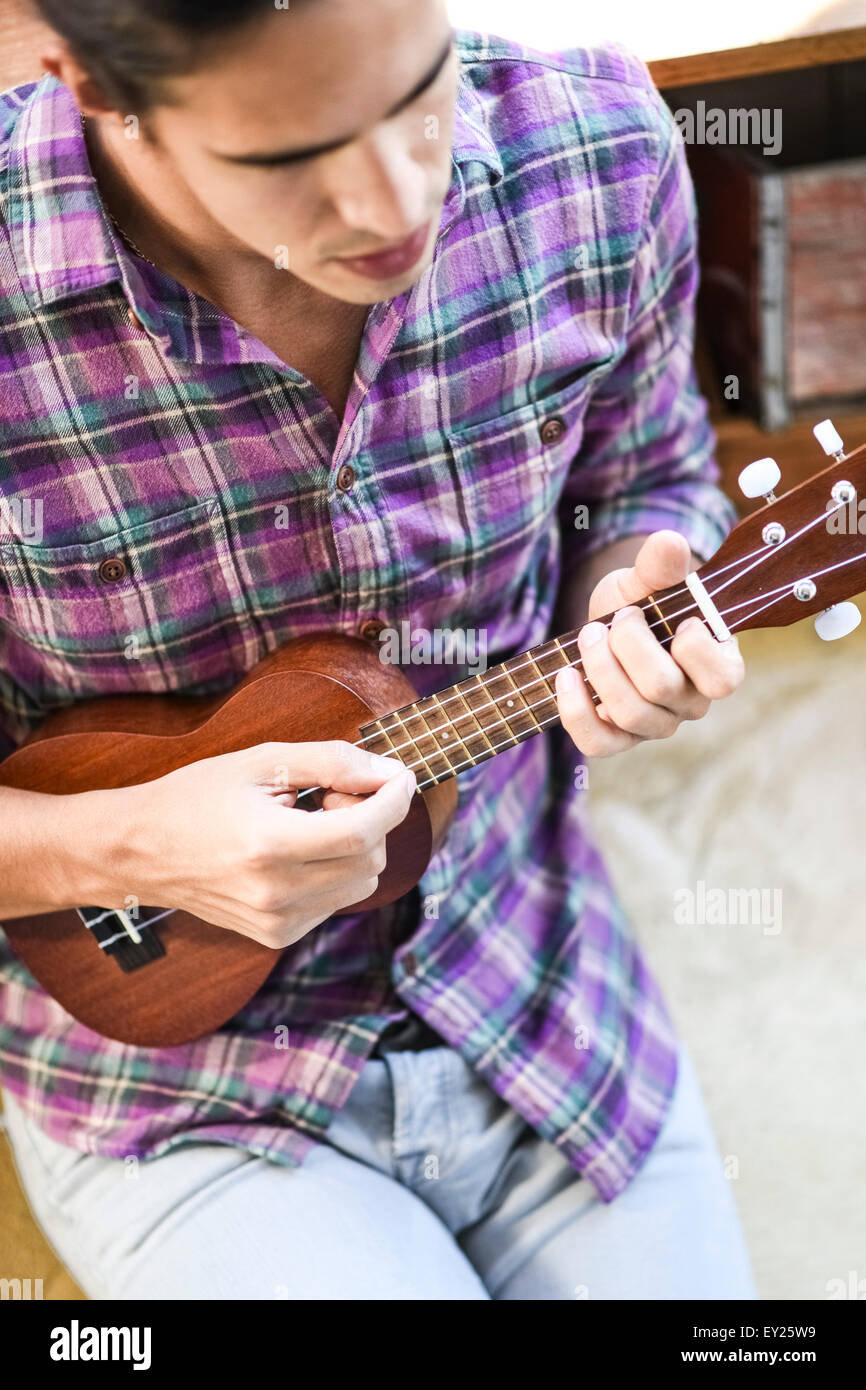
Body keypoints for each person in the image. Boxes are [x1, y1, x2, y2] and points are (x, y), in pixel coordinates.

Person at [0, 0, 754, 1299]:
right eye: (291, 155)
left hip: (534, 984)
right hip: (166, 1075)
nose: (401, 197)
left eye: (420, 92)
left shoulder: (595, 145)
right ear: (81, 79)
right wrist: (135, 845)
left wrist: (633, 575)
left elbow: (654, 472)